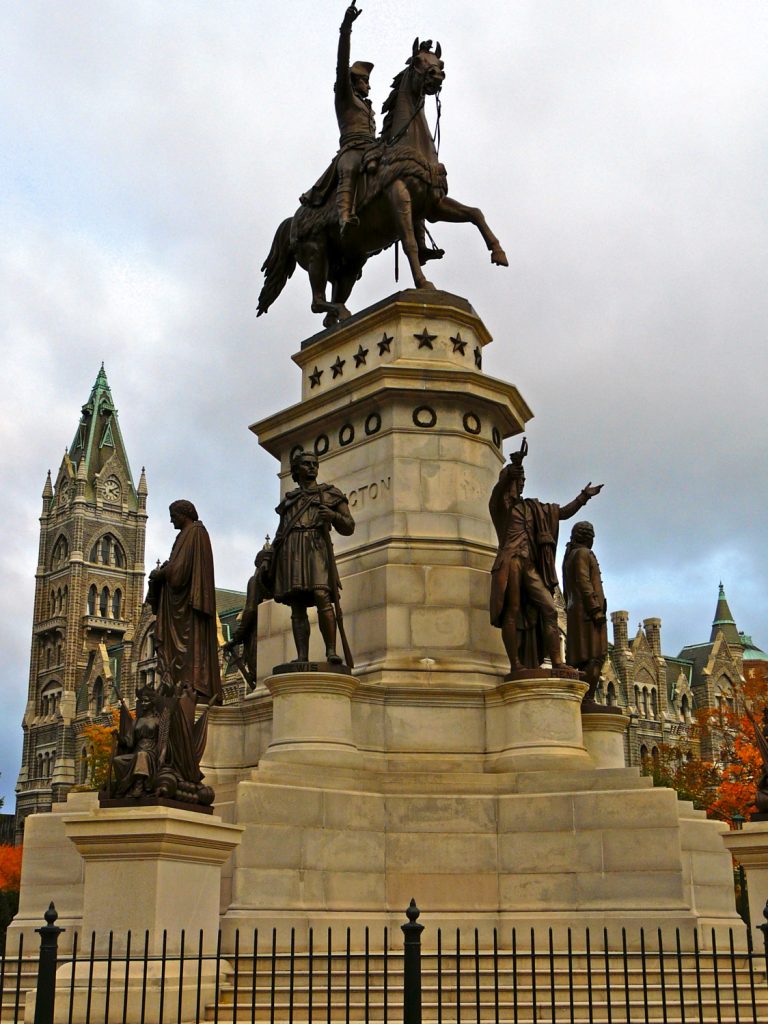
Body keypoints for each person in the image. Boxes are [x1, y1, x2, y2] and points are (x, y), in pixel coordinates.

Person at [489, 440, 603, 675]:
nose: (521, 483)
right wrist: (513, 468)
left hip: (530, 566)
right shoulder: (501, 508)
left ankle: (557, 662)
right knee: (512, 611)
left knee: (550, 609)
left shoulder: (535, 509)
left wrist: (584, 496)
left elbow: (562, 513)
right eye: (518, 480)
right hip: (510, 563)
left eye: (523, 480)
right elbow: (499, 490)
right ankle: (516, 665)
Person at [264, 450, 355, 665]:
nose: (312, 467)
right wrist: (269, 559)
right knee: (297, 603)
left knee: (322, 595)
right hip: (291, 550)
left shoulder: (330, 494)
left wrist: (332, 516)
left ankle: (331, 651)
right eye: (306, 464)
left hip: (316, 547)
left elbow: (349, 526)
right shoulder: (289, 501)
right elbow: (280, 533)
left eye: (315, 463)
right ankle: (302, 656)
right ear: (296, 471)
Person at [301, 4, 376, 233]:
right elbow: (342, 63)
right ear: (354, 81)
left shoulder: (368, 108)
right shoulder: (345, 96)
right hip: (351, 149)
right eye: (365, 81)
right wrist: (346, 28)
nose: (369, 86)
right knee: (350, 167)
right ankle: (344, 216)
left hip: (371, 148)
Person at [146, 499, 222, 705]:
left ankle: (193, 685)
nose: (171, 521)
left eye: (174, 516)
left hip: (188, 607)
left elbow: (180, 572)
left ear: (185, 514)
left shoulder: (196, 533)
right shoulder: (183, 535)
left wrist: (162, 573)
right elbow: (177, 566)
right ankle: (177, 685)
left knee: (190, 648)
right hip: (175, 607)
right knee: (175, 652)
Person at [562, 521, 613, 711]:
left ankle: (584, 697)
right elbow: (584, 582)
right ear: (588, 537)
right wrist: (595, 610)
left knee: (584, 657)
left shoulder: (569, 556)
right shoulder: (583, 553)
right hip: (588, 615)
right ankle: (587, 698)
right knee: (596, 656)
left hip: (576, 613)